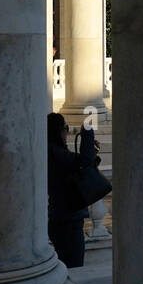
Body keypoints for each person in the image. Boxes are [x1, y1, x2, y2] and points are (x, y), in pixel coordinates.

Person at [45, 112, 98, 269]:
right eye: (65, 128)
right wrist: (88, 132)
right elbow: (84, 162)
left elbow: (79, 169)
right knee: (74, 268)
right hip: (68, 221)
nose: (67, 133)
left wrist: (91, 153)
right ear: (59, 131)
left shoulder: (51, 152)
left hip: (60, 218)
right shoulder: (54, 152)